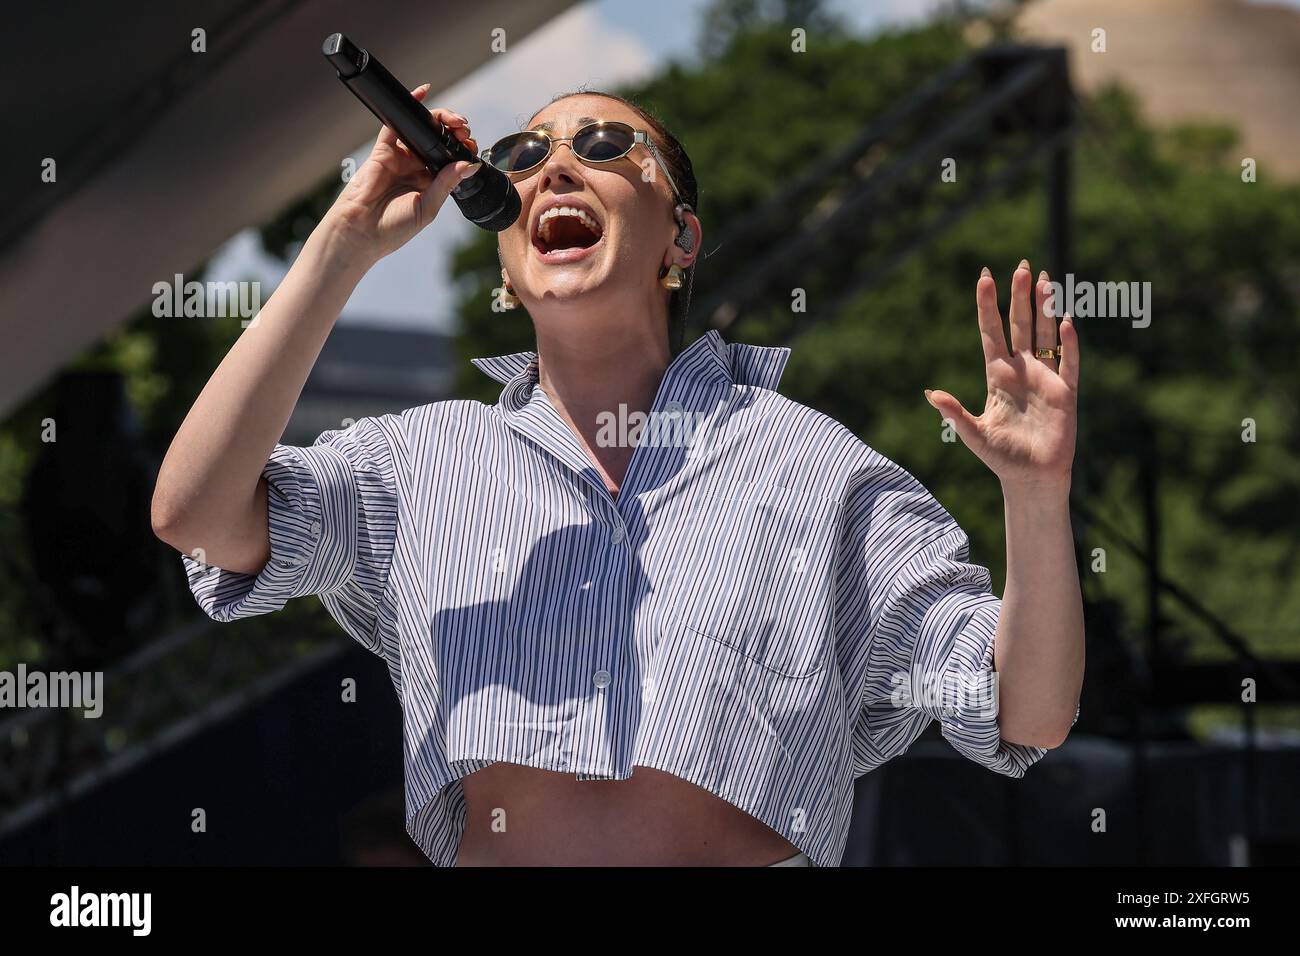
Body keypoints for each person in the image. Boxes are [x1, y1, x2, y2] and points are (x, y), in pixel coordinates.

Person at [151, 87, 1084, 867]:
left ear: (682, 239)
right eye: (522, 155)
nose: (555, 165)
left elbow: (1027, 714)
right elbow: (197, 516)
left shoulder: (818, 470)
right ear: (507, 264)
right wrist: (347, 240)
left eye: (603, 145)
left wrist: (1038, 499)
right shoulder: (417, 462)